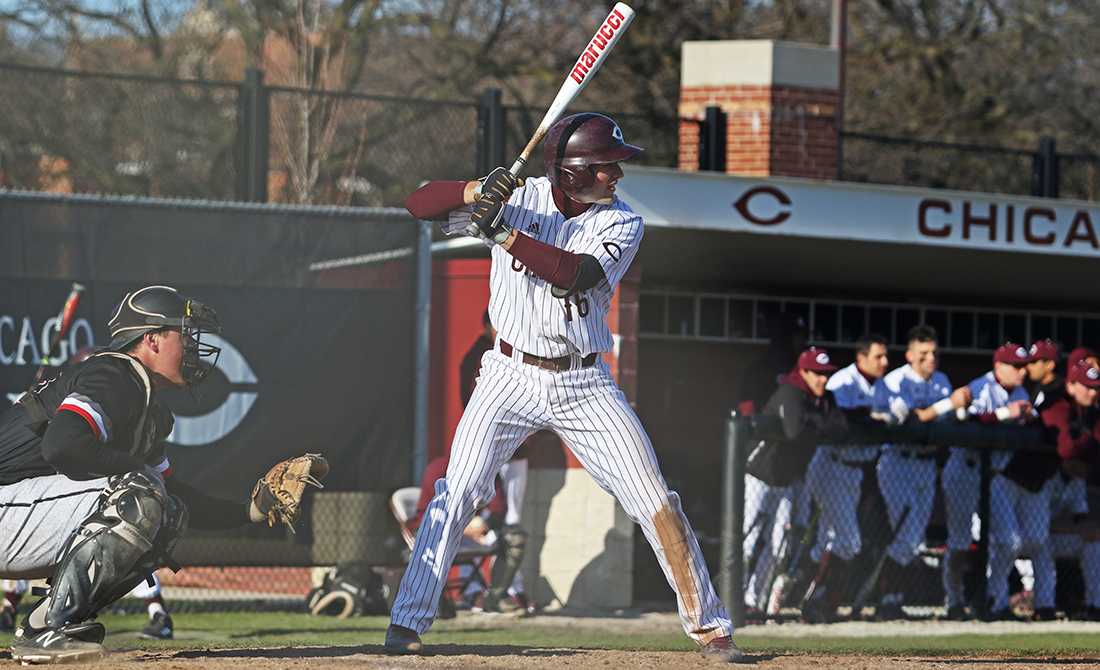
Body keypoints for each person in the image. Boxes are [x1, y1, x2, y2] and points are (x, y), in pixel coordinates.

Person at [392, 113, 739, 662]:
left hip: (583, 380)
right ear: (573, 173)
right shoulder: (520, 195)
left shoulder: (622, 223)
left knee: (655, 500)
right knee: (455, 493)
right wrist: (476, 190)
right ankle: (406, 624)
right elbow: (416, 204)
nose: (617, 177)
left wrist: (502, 232)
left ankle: (711, 628)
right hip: (507, 374)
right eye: (606, 167)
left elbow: (575, 275)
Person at [0, 286, 315, 663]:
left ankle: (42, 625)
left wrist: (250, 511)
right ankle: (50, 630)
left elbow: (169, 490)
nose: (193, 346)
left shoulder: (147, 403)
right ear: (151, 339)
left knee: (168, 511)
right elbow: (61, 445)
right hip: (8, 507)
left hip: (20, 514)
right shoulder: (116, 373)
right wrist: (141, 471)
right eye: (184, 335)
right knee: (143, 491)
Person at [68, 344, 176, 640]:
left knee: (130, 521)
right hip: (46, 508)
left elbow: (166, 482)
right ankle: (24, 613)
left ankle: (158, 613)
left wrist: (245, 511)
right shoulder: (65, 421)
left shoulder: (134, 418)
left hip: (103, 506)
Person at [871, 325, 971, 620]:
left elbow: (951, 419)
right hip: (898, 462)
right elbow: (912, 420)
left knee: (913, 539)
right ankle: (886, 599)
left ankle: (892, 598)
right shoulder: (896, 380)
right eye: (924, 354)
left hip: (927, 464)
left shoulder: (941, 380)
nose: (931, 359)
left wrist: (959, 407)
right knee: (905, 537)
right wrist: (948, 404)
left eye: (934, 353)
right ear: (910, 355)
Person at [742, 347, 847, 618]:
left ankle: (753, 600)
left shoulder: (825, 398)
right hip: (759, 475)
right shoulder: (790, 391)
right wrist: (819, 423)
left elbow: (842, 429)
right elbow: (794, 430)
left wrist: (814, 420)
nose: (823, 380)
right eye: (817, 374)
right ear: (803, 372)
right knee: (747, 540)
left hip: (788, 480)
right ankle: (732, 599)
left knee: (779, 547)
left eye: (826, 374)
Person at [942, 344, 1036, 621]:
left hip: (993, 474)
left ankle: (994, 601)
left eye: (1023, 366)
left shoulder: (1020, 391)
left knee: (1010, 541)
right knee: (959, 542)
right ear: (998, 367)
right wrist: (1006, 414)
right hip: (964, 468)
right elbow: (966, 422)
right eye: (1015, 366)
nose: (1022, 372)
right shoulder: (980, 387)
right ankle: (954, 601)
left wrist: (1026, 419)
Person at [801, 334, 889, 621]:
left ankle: (817, 600)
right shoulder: (843, 381)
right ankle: (815, 596)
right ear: (861, 357)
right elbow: (838, 416)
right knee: (849, 542)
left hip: (854, 470)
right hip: (831, 464)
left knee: (831, 540)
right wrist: (873, 414)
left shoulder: (882, 384)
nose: (885, 362)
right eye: (878, 356)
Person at [459, 309, 537, 614]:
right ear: (488, 326)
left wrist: (526, 439)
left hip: (517, 453)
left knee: (512, 521)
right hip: (488, 448)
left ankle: (508, 588)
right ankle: (475, 590)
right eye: (498, 324)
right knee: (478, 517)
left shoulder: (524, 351)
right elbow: (474, 404)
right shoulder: (478, 356)